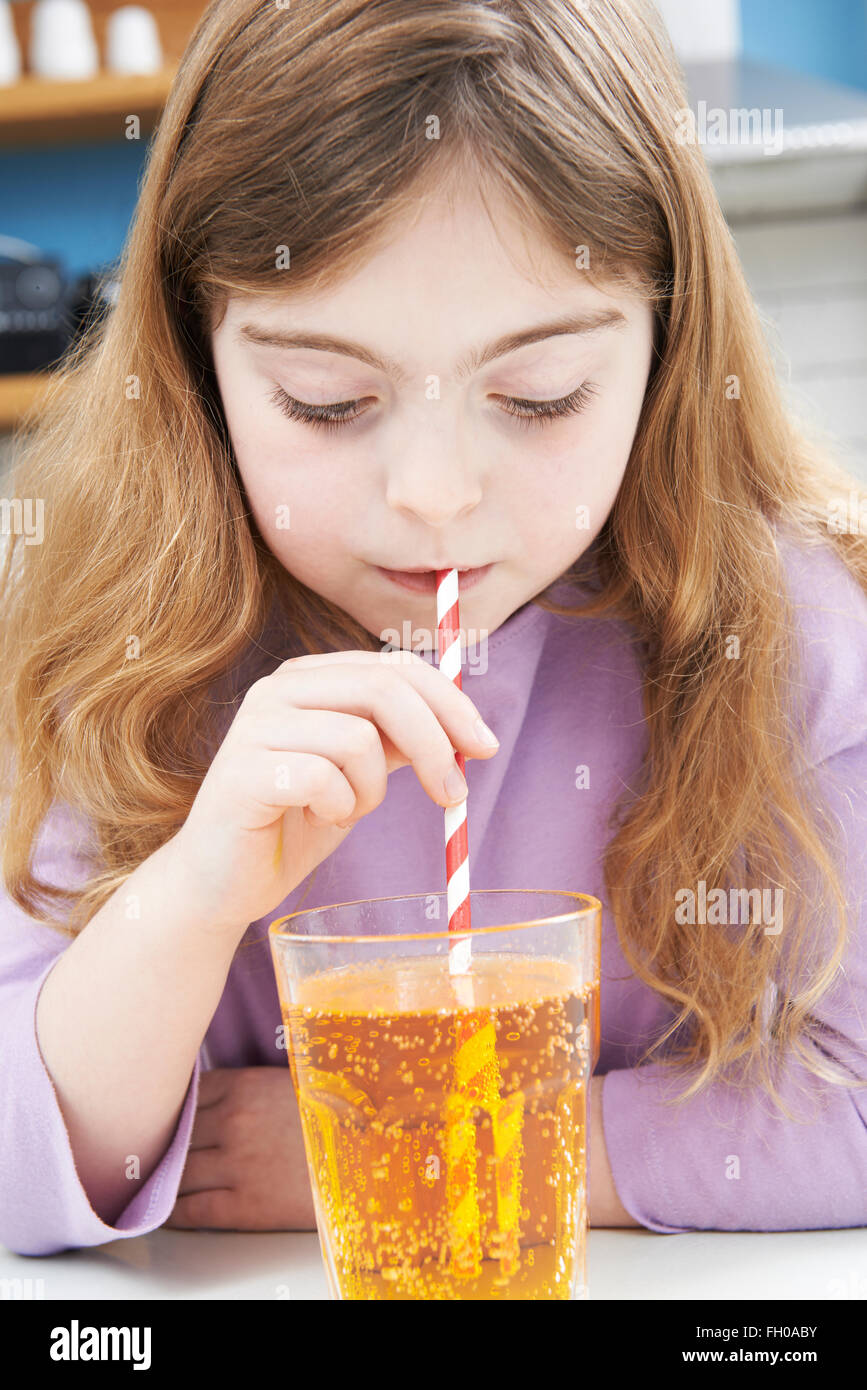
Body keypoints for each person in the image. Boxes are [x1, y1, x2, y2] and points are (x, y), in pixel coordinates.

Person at [1, 0, 865, 1259]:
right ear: (197, 360)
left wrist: (434, 1145)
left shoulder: (797, 638)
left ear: (668, 349)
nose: (436, 495)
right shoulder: (117, 644)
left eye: (539, 395)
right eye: (328, 400)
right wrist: (187, 903)